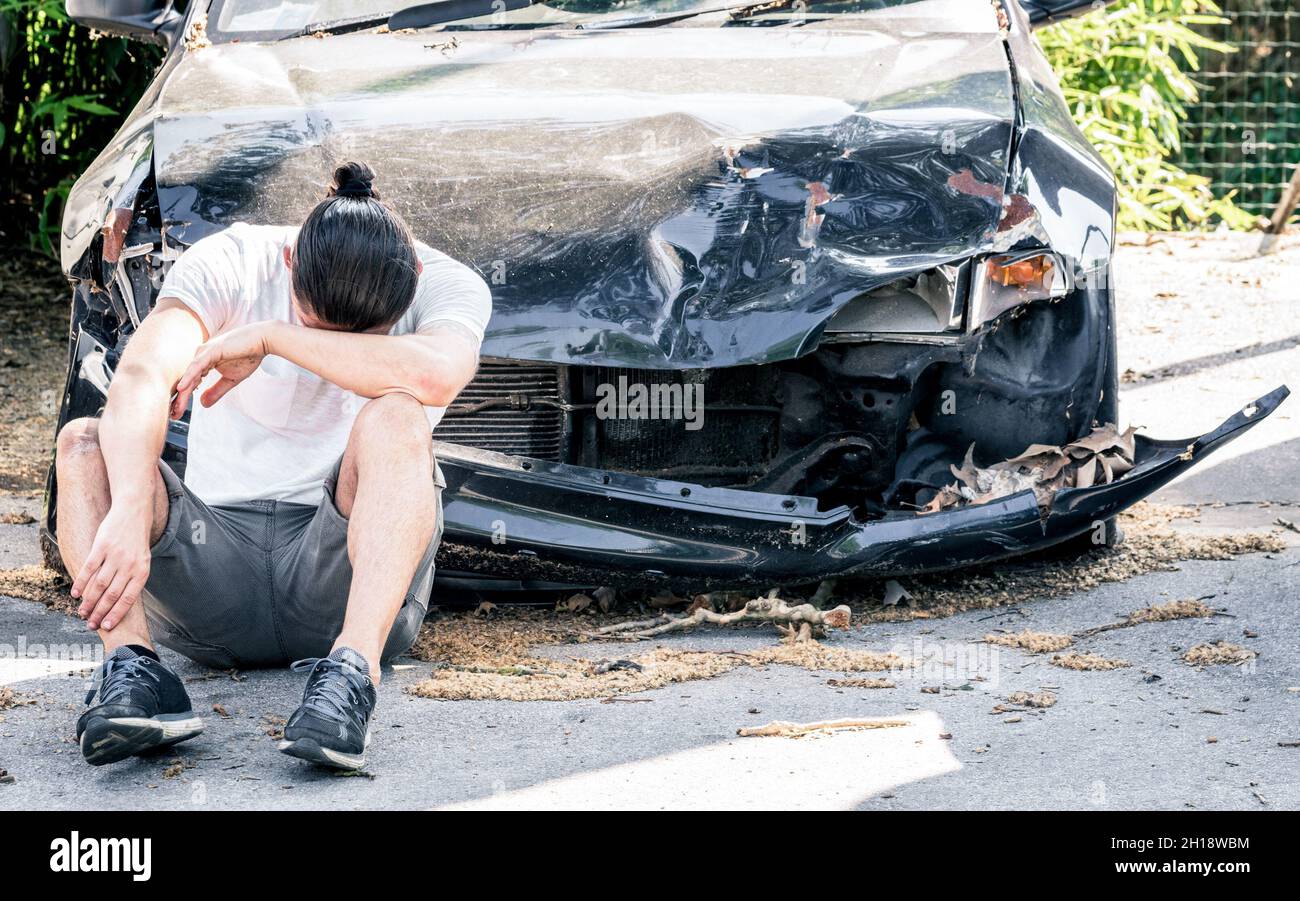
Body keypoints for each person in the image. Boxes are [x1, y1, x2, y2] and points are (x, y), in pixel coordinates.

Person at [54, 162, 491, 769]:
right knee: (84, 442)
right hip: (213, 577)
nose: (334, 351)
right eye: (316, 326)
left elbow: (438, 374)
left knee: (398, 414)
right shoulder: (233, 259)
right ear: (290, 262)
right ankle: (135, 673)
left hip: (340, 578)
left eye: (365, 339)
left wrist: (274, 337)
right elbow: (143, 374)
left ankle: (350, 680)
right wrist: (130, 503)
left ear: (412, 276)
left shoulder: (449, 282)